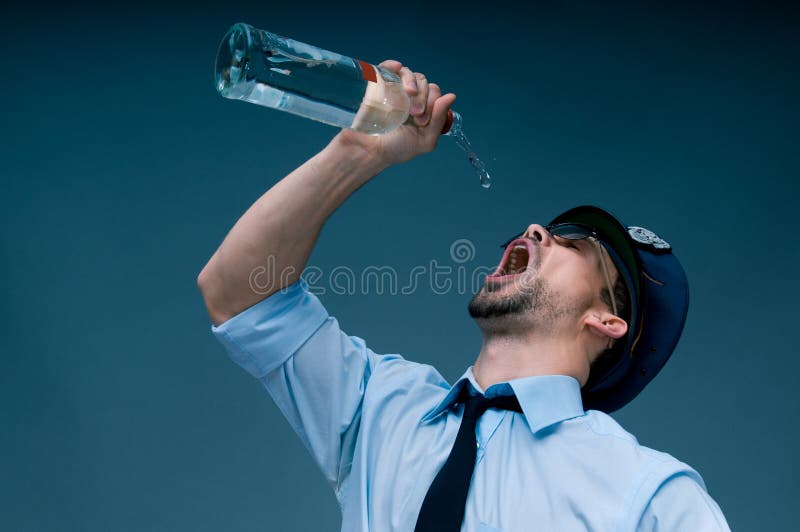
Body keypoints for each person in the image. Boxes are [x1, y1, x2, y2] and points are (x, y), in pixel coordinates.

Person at [197, 60, 730, 531]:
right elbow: (237, 291)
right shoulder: (380, 407)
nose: (536, 230)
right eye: (548, 227)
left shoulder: (650, 496)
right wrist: (360, 152)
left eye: (576, 244)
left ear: (606, 320)